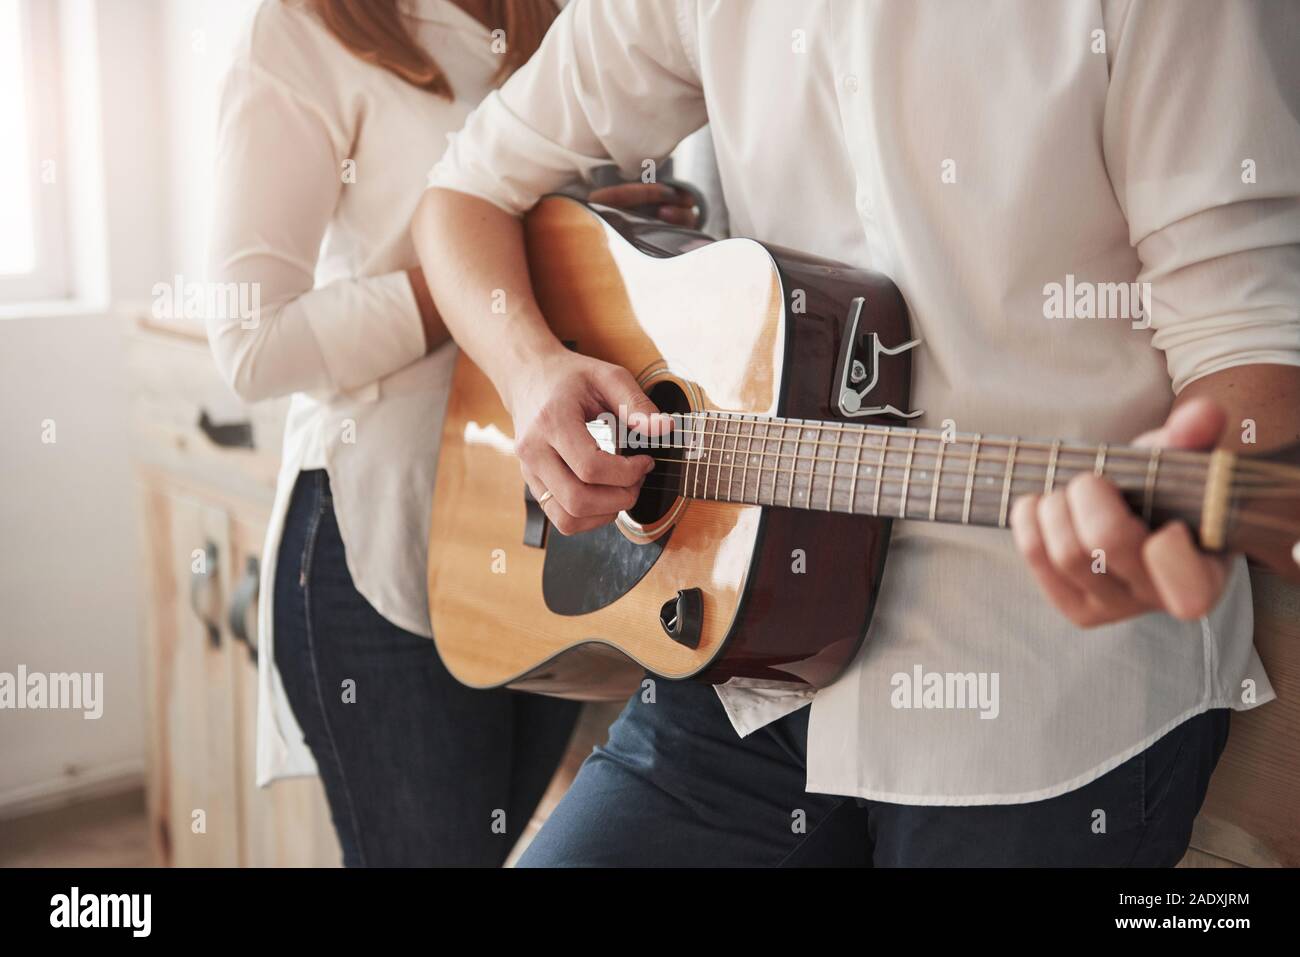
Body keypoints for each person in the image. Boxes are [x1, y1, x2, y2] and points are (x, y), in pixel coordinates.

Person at [411, 0, 1300, 865]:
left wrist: (1182, 503)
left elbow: (1252, 341)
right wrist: (530, 370)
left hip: (1046, 697)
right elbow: (463, 194)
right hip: (747, 665)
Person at [205, 0, 699, 866]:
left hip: (549, 538)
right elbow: (251, 343)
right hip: (376, 544)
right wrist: (518, 260)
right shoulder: (296, 32)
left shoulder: (563, 19)